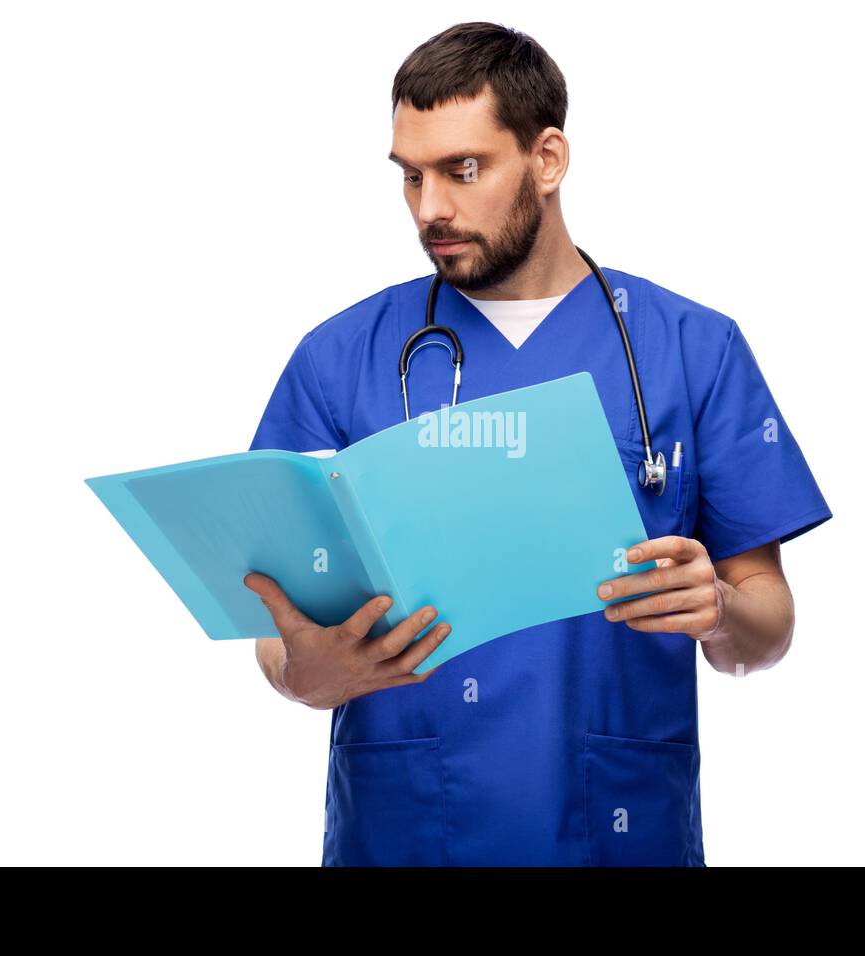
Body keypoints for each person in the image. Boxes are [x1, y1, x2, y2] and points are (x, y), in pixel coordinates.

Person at [242, 21, 831, 867]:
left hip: (620, 834)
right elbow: (276, 632)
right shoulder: (340, 359)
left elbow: (767, 620)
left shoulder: (690, 348)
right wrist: (305, 676)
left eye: (463, 170)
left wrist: (722, 613)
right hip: (405, 833)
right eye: (411, 176)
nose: (430, 208)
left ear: (548, 159)